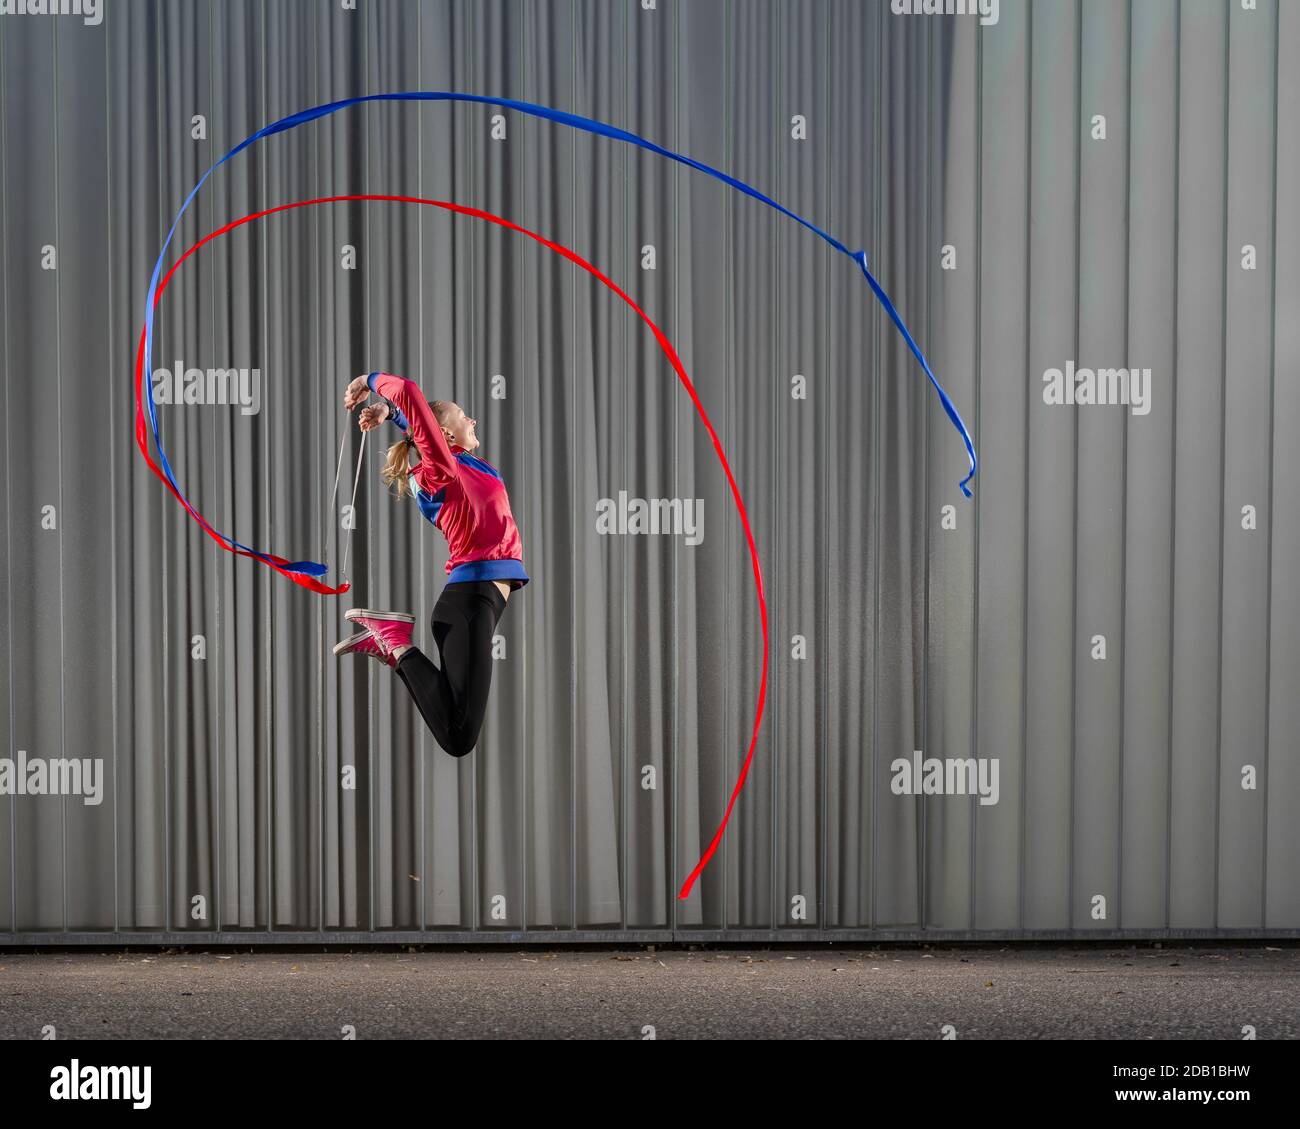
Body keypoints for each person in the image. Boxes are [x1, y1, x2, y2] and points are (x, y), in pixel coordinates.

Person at [334, 372, 529, 758]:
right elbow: (410, 393)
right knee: (458, 738)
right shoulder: (440, 470)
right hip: (469, 602)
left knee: (459, 732)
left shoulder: (469, 465)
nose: (472, 420)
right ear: (445, 434)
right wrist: (370, 380)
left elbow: (421, 423)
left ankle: (394, 645)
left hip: (477, 603)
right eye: (463, 415)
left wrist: (392, 413)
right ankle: (394, 641)